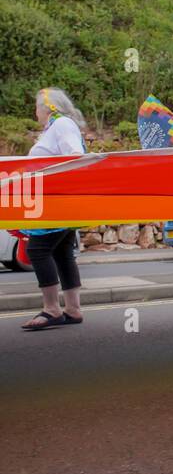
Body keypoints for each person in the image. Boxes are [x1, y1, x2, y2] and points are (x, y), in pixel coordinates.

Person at [20, 89, 88, 331]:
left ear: (47, 108)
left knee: (37, 249)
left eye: (36, 107)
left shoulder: (62, 125)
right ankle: (73, 309)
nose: (35, 112)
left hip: (56, 202)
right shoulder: (56, 126)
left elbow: (75, 156)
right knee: (61, 252)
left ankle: (52, 309)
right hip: (58, 201)